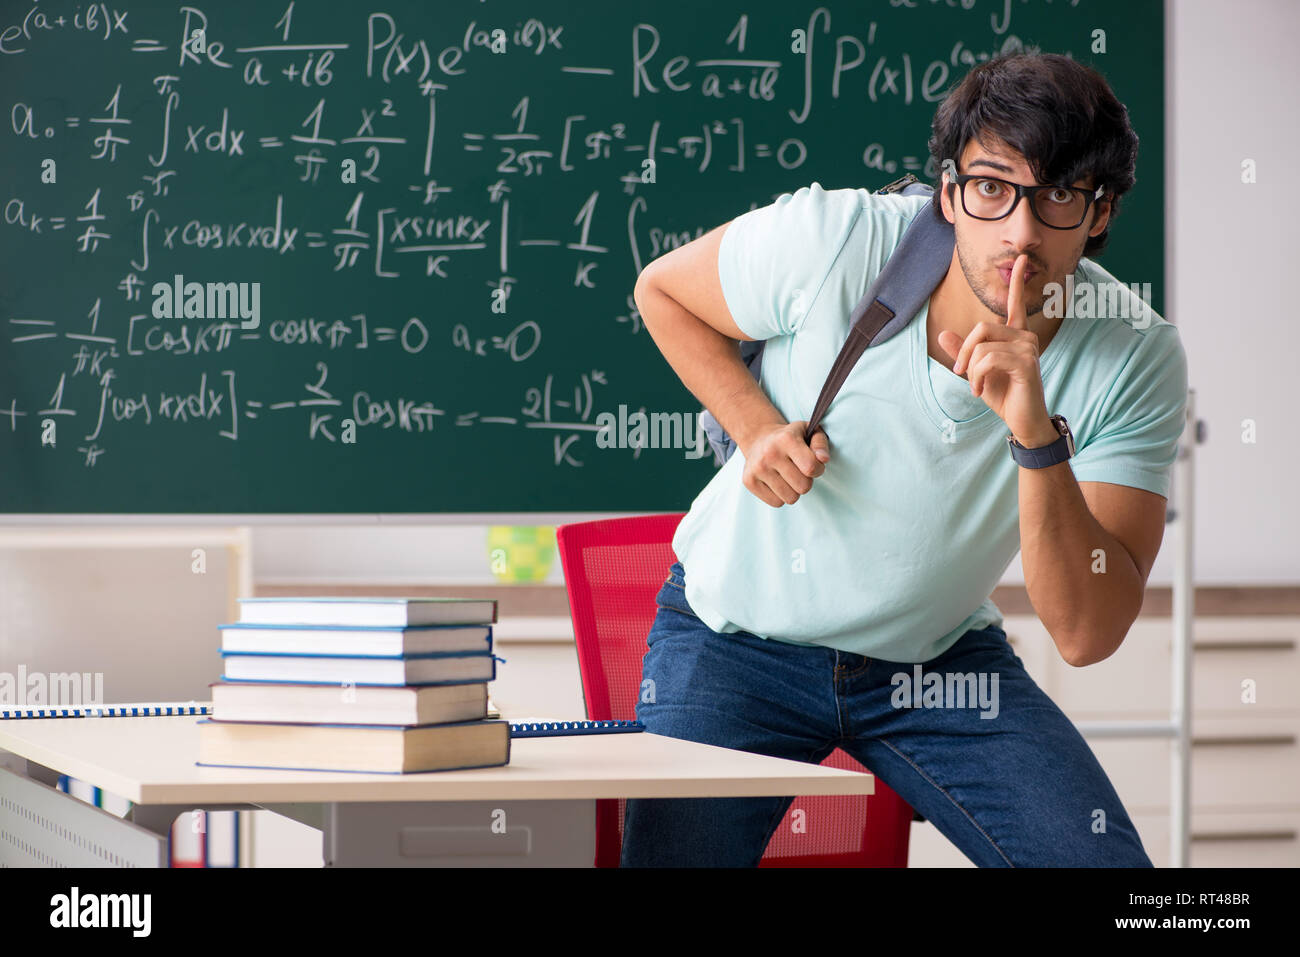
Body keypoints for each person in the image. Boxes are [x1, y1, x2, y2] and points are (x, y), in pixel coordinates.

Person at [622, 51, 1187, 867]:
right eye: (992, 188)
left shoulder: (1136, 354)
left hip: (936, 661)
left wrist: (1036, 436)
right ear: (950, 193)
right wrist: (754, 426)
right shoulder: (838, 239)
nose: (1021, 232)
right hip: (735, 643)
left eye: (1060, 196)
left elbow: (1085, 633)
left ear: (1101, 212)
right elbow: (662, 290)